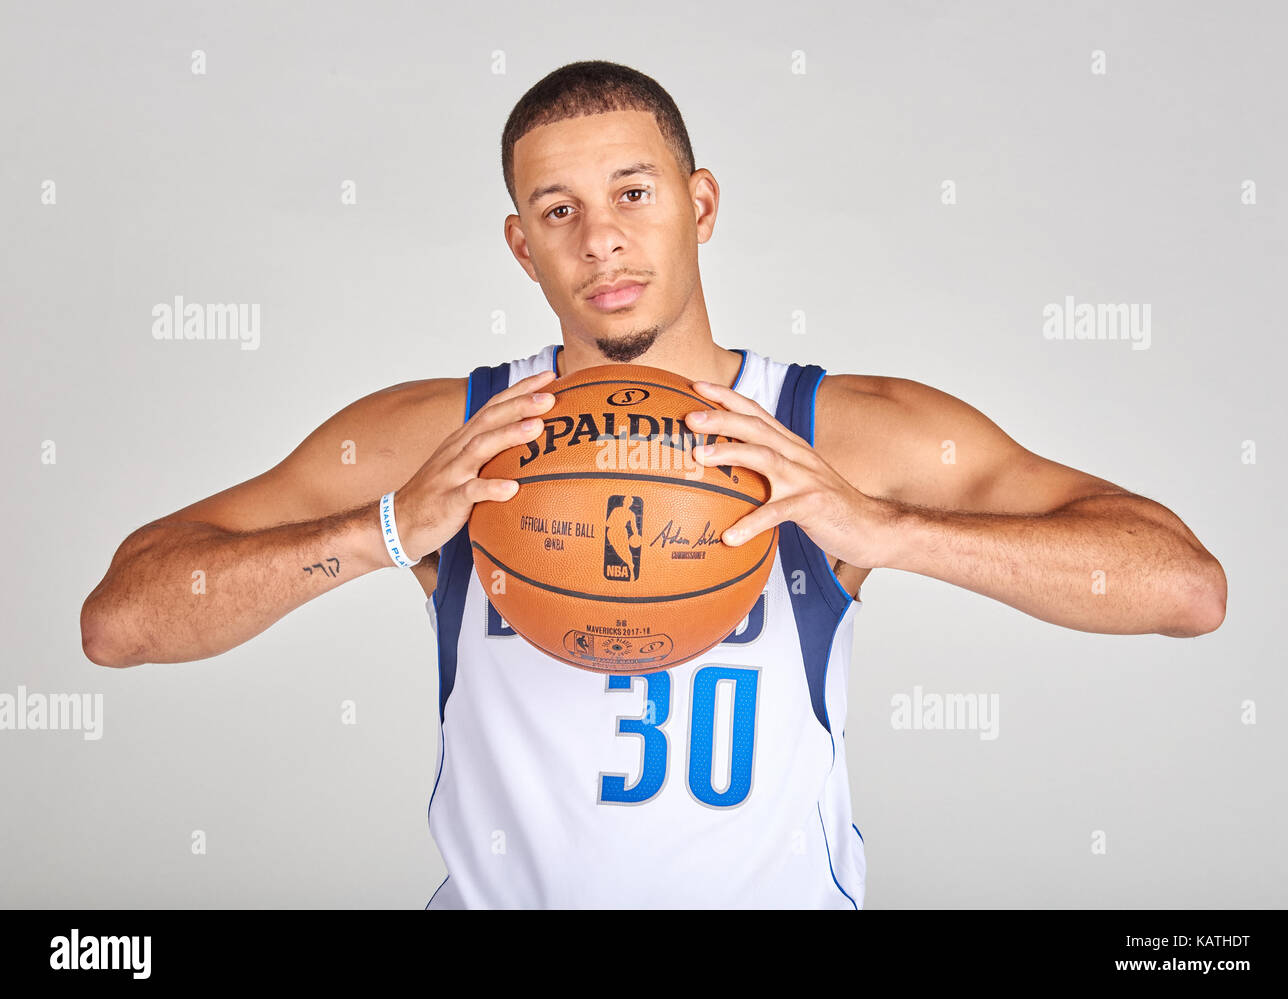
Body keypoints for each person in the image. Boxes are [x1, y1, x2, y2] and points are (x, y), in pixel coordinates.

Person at [80, 60, 1227, 909]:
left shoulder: (846, 432)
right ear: (522, 247)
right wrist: (386, 527)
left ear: (702, 205)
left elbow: (1180, 589)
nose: (601, 244)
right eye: (558, 212)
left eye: (633, 194)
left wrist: (881, 527)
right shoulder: (445, 436)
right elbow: (122, 622)